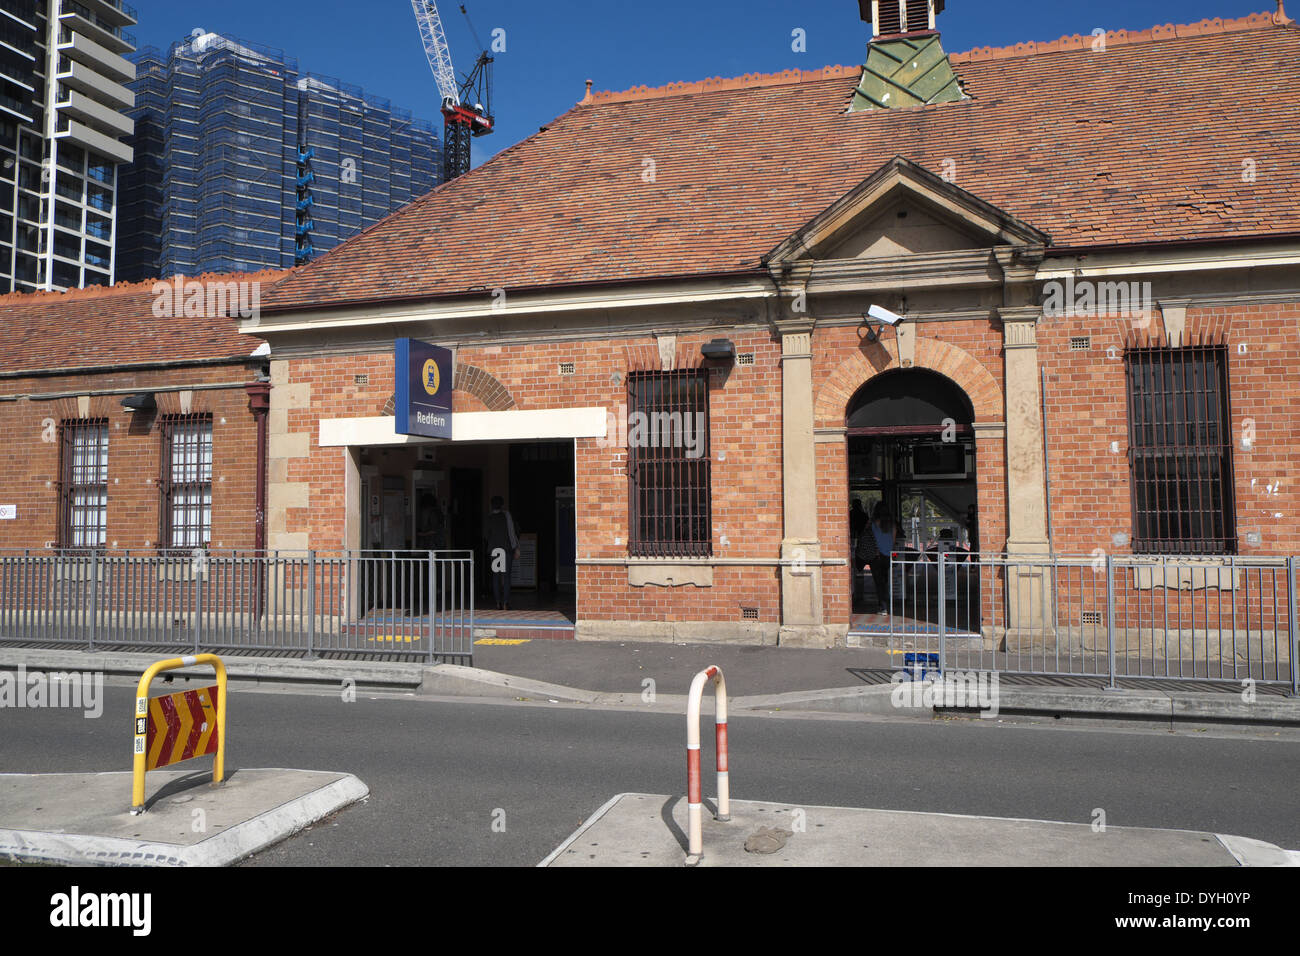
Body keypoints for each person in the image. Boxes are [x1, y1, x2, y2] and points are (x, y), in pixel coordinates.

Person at [485, 495, 519, 611]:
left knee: (496, 577)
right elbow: (511, 532)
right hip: (506, 549)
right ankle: (505, 603)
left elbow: (486, 535)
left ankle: (497, 603)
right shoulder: (506, 515)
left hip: (494, 550)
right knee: (506, 576)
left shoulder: (489, 518)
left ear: (491, 505)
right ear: (502, 505)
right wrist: (516, 547)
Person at [867, 503, 898, 615]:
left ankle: (882, 606)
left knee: (878, 581)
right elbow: (893, 541)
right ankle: (884, 604)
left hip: (875, 556)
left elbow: (867, 536)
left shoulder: (873, 524)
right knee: (884, 580)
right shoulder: (892, 525)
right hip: (887, 556)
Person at [849, 500, 869, 601]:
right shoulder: (864, 515)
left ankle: (854, 593)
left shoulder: (849, 514)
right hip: (861, 542)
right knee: (859, 568)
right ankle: (859, 593)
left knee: (852, 567)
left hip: (850, 542)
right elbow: (867, 528)